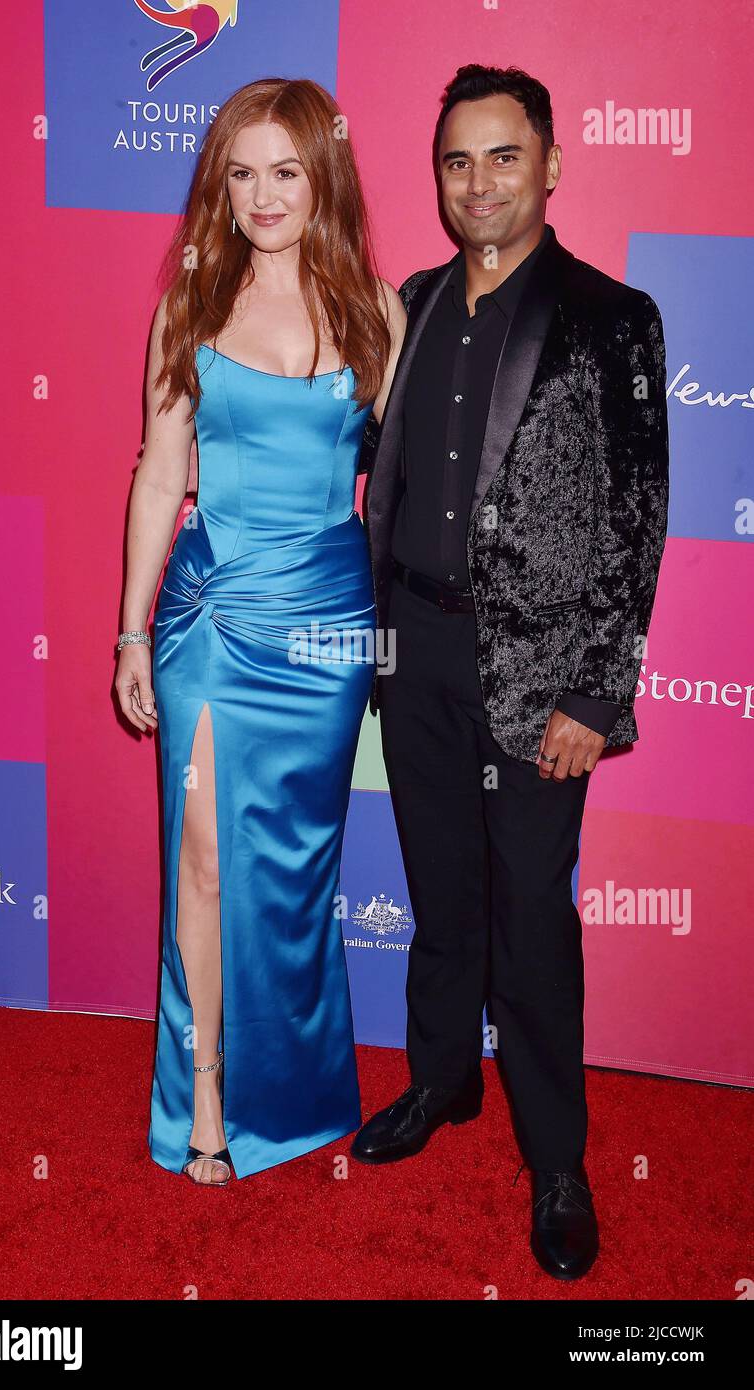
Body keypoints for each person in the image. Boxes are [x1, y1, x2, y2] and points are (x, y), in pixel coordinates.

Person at [353, 64, 669, 1280]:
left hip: (541, 675)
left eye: (500, 156)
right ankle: (442, 1081)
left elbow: (638, 518)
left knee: (532, 920)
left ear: (548, 165)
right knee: (439, 884)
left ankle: (557, 1161)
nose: (476, 180)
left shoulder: (610, 316)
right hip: (413, 646)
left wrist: (596, 694)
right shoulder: (414, 300)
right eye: (455, 160)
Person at [115, 78, 406, 1186]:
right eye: (240, 173)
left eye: (284, 170)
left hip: (328, 631)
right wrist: (130, 633)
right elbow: (157, 473)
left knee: (291, 868)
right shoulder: (189, 304)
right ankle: (204, 1094)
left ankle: (292, 1084)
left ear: (320, 174)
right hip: (212, 614)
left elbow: (410, 483)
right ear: (218, 187)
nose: (261, 194)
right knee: (198, 863)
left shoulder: (380, 308)